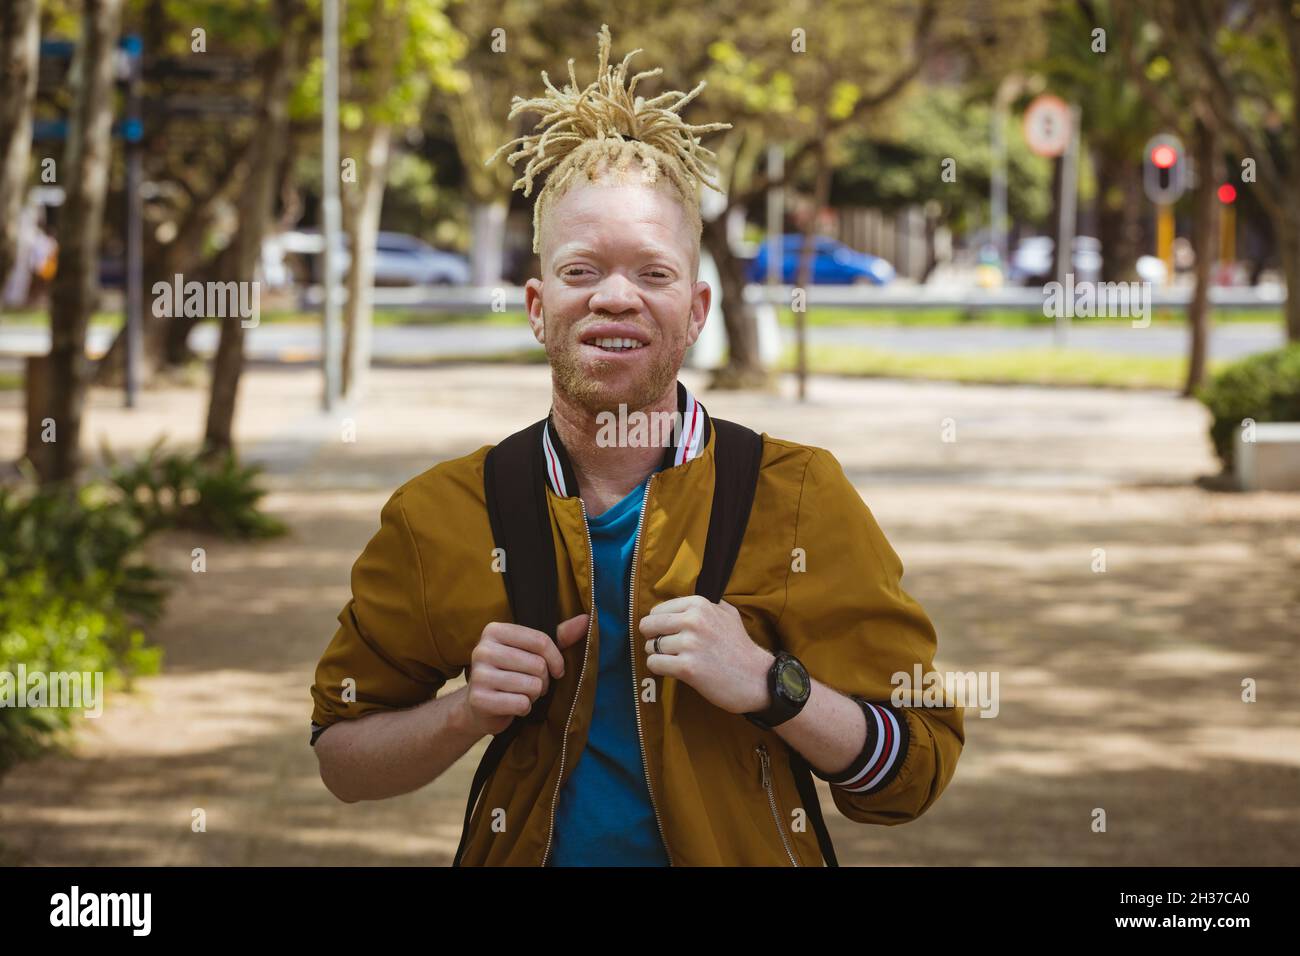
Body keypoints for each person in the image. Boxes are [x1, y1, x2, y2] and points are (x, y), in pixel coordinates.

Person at [309, 24, 963, 866]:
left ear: (695, 310)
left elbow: (915, 770)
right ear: (539, 306)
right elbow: (340, 760)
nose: (616, 297)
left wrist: (773, 687)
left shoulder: (798, 495)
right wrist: (465, 712)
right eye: (583, 271)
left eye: (652, 273)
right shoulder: (438, 515)